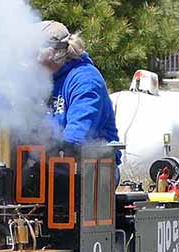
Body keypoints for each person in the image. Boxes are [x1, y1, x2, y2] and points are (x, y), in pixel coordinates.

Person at [35, 21, 120, 168]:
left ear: (51, 53)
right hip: (49, 163)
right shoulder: (35, 78)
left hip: (92, 169)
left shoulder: (85, 80)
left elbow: (76, 139)